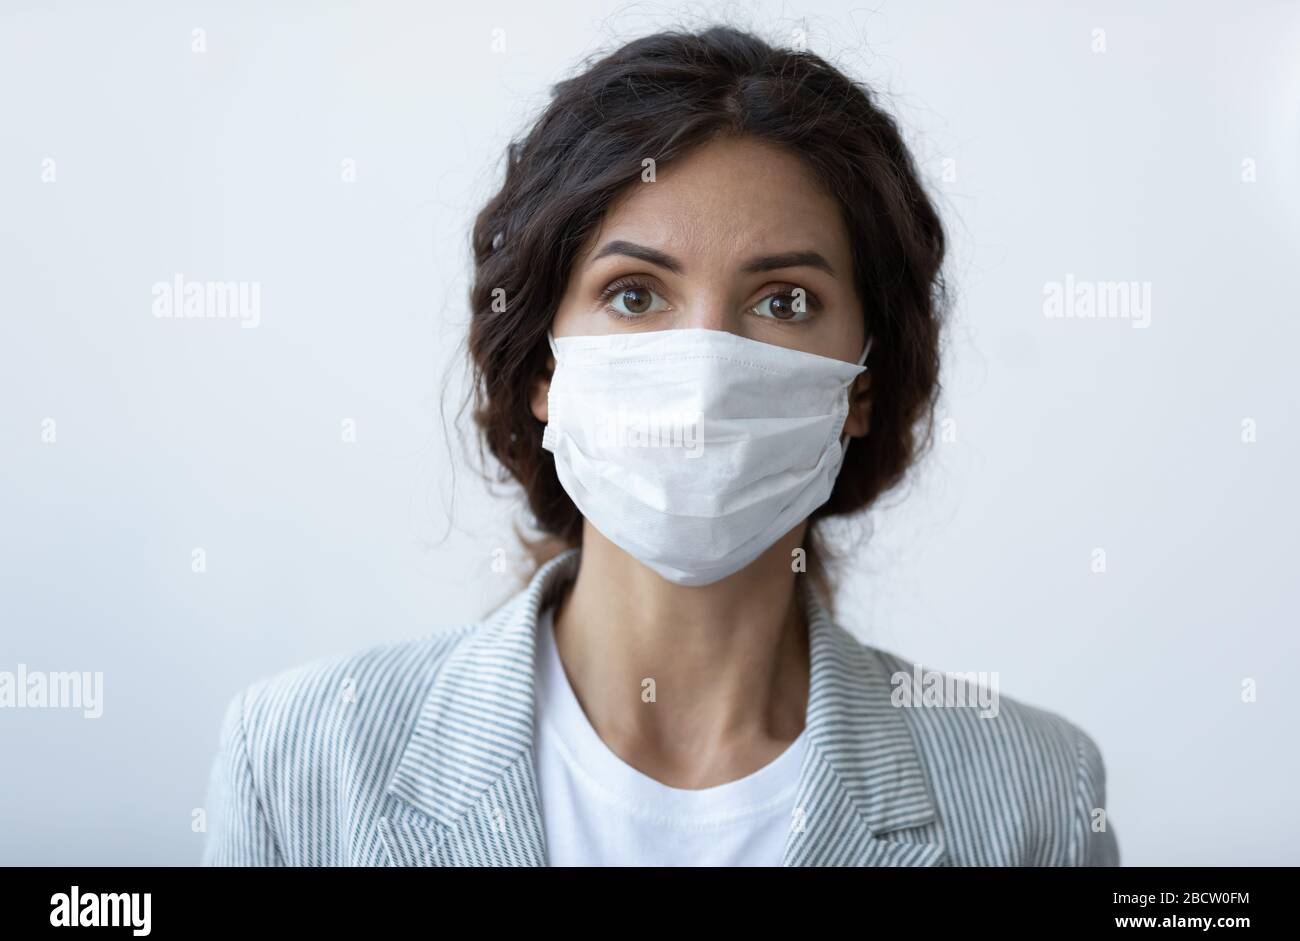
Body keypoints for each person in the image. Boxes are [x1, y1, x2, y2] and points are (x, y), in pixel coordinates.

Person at [201, 25, 1118, 866]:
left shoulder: (1035, 797)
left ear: (861, 390)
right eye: (635, 294)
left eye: (783, 301)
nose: (706, 371)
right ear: (542, 373)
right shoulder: (300, 761)